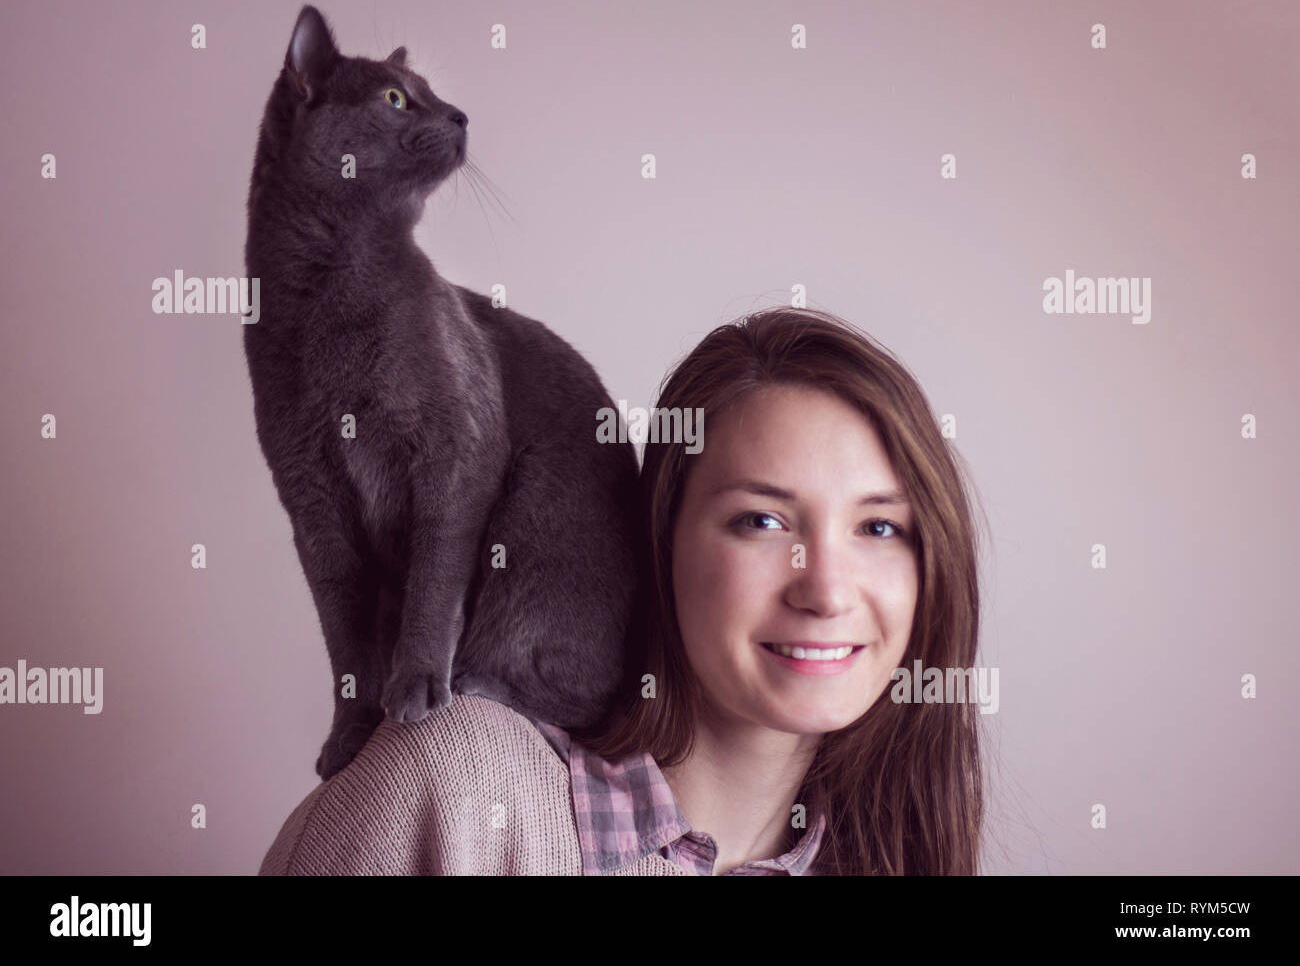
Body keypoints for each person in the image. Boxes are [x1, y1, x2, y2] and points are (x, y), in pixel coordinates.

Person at [259, 306, 988, 875]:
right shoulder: (452, 792)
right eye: (761, 520)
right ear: (663, 538)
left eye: (881, 529)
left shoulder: (900, 856)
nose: (826, 590)